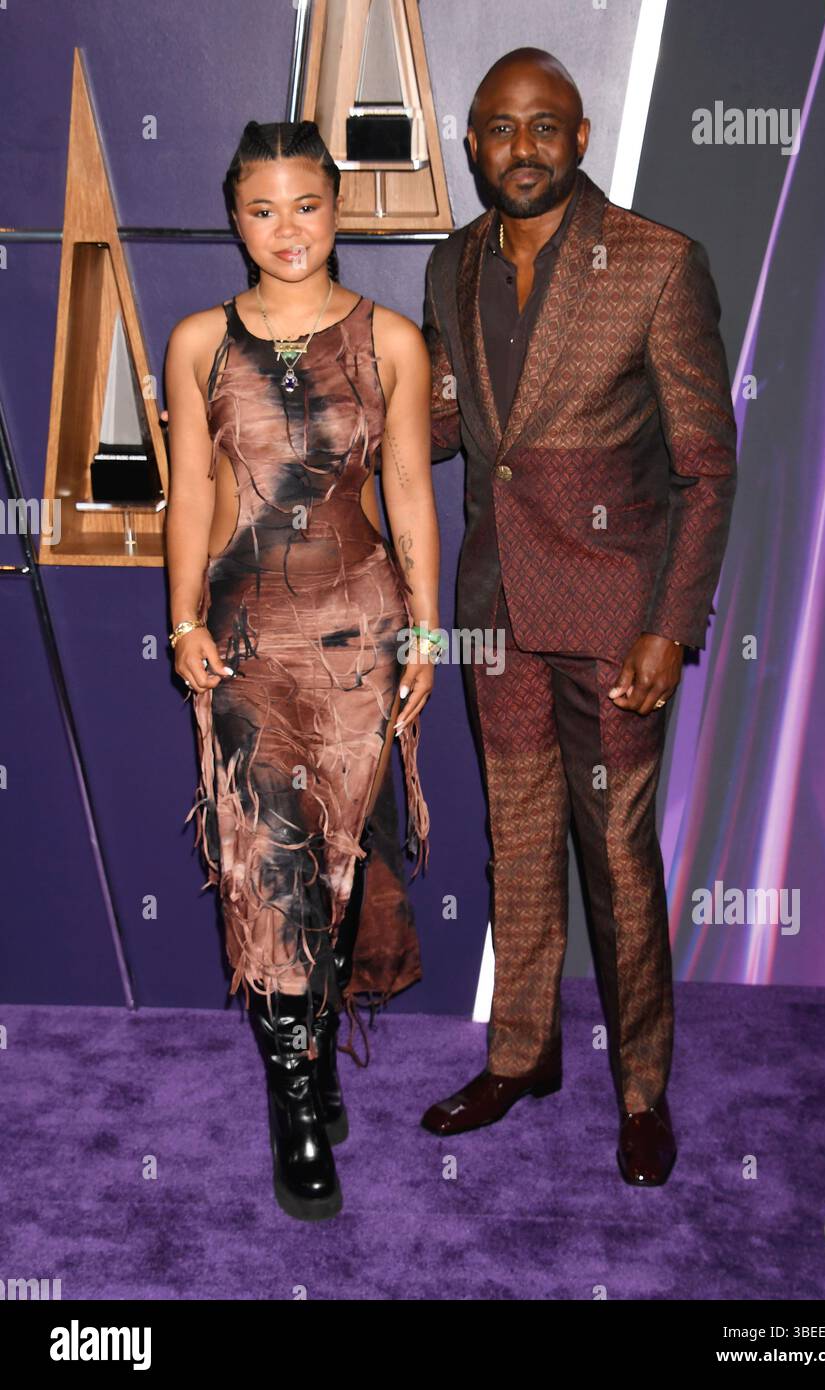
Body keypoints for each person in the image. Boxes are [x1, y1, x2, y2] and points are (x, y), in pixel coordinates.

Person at [419, 50, 738, 1185]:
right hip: (495, 608)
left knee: (616, 861)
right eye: (500, 130)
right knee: (516, 845)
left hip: (612, 621)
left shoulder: (655, 263)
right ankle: (523, 1055)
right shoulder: (449, 265)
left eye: (544, 126)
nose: (522, 148)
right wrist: (348, 410)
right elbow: (455, 427)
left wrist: (669, 624)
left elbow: (706, 469)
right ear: (471, 145)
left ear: (582, 135)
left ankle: (643, 1092)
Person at [164, 120, 440, 1221]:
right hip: (244, 639)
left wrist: (423, 628)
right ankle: (296, 1106)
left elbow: (411, 491)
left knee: (335, 861)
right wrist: (179, 615)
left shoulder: (393, 341)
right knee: (264, 859)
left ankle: (315, 1059)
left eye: (308, 206)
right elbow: (192, 488)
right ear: (235, 216)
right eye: (263, 209)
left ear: (340, 209)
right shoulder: (196, 339)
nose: (288, 229)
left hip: (361, 631)